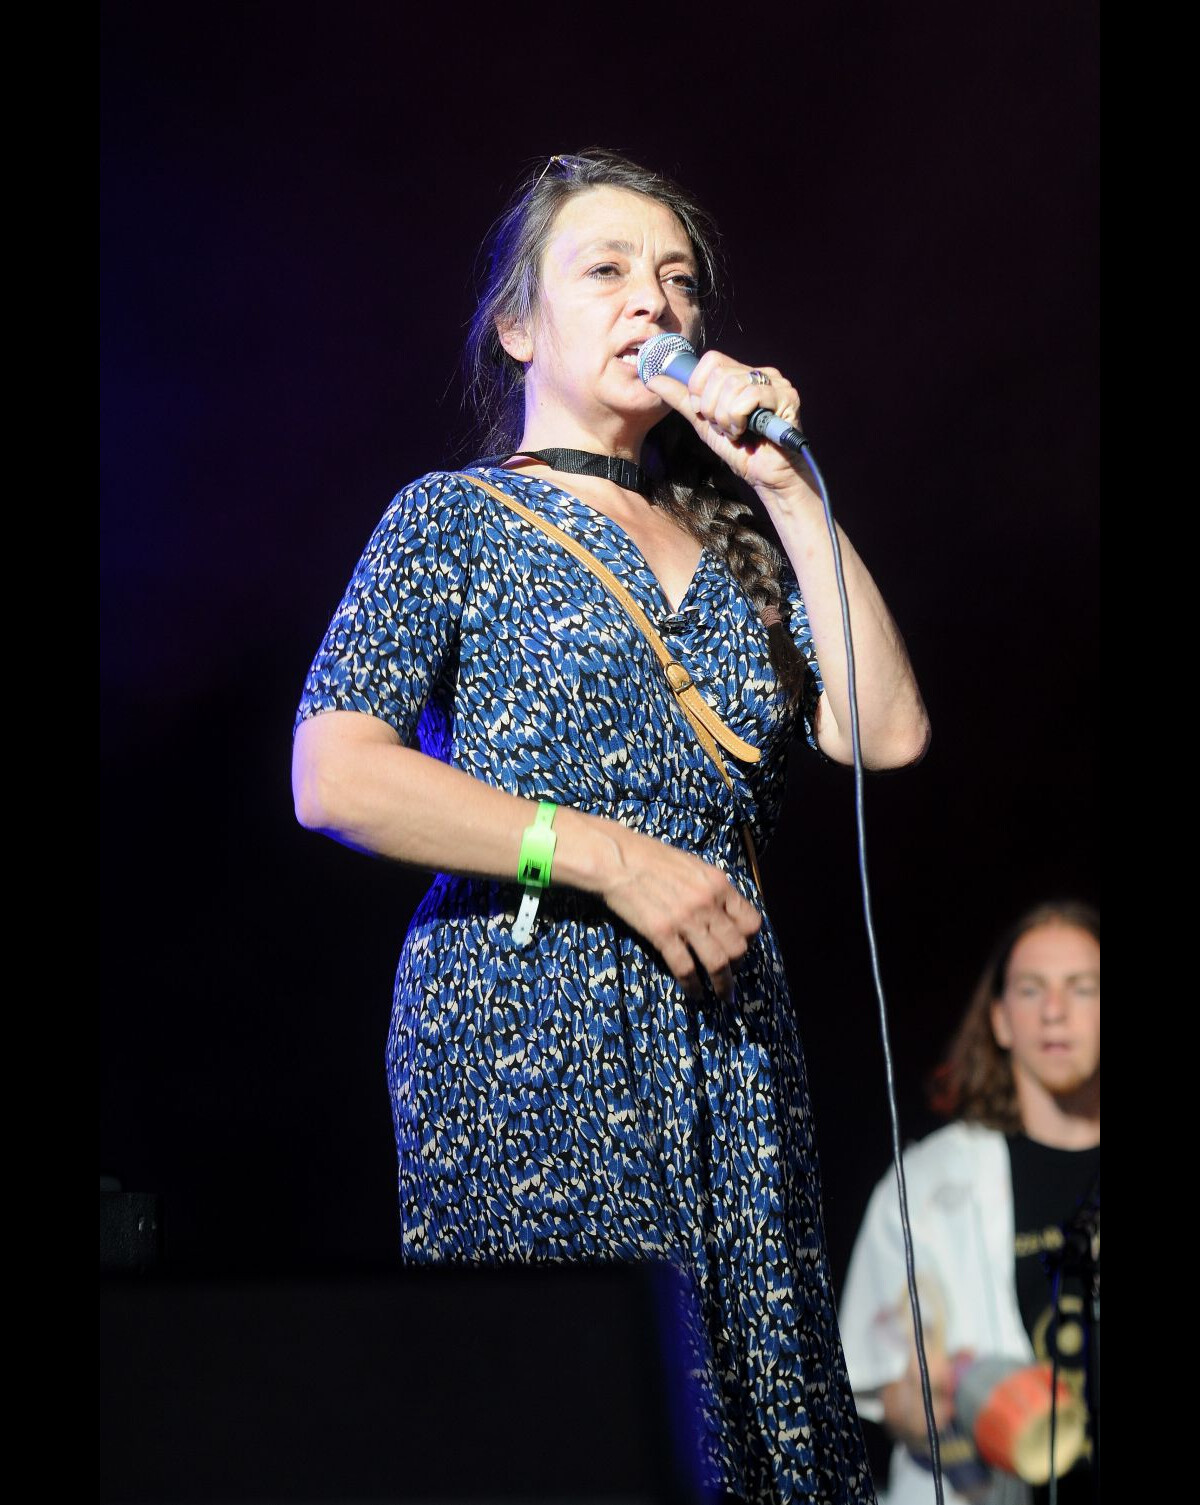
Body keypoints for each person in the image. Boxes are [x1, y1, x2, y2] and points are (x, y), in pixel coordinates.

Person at [292, 148, 930, 1504]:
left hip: (730, 1035)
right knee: (576, 1419)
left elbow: (886, 735)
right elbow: (335, 774)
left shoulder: (749, 541)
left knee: (756, 1429)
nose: (655, 300)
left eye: (678, 280)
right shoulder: (451, 519)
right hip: (527, 1006)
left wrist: (787, 489)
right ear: (518, 324)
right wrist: (610, 856)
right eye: (607, 270)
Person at [838, 901, 1101, 1505]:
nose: (1054, 1012)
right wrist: (913, 1410)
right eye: (1031, 990)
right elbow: (880, 1391)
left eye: (1081, 989)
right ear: (1001, 1020)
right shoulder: (929, 1185)